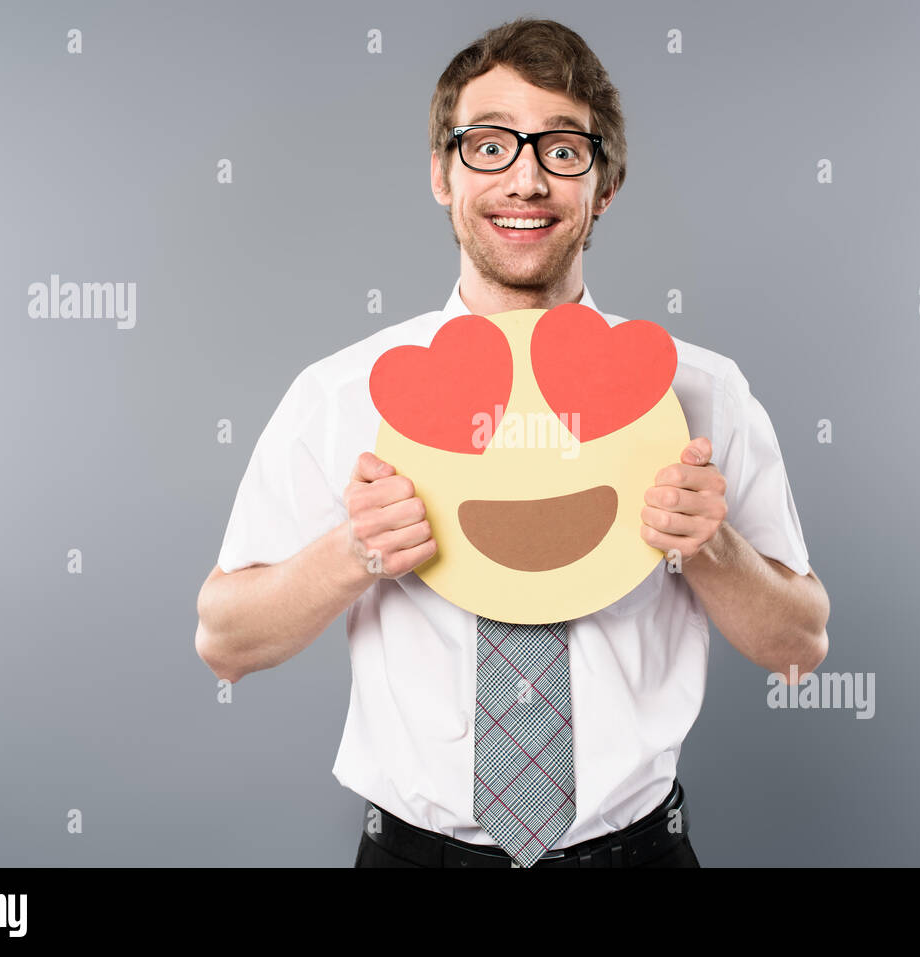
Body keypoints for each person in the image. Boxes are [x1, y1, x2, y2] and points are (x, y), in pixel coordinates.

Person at [194, 17, 830, 868]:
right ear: (441, 174)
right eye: (489, 146)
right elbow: (224, 641)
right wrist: (354, 551)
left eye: (562, 151)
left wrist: (709, 546)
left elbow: (801, 646)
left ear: (602, 186)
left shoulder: (700, 394)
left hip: (634, 855)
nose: (525, 180)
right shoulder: (344, 396)